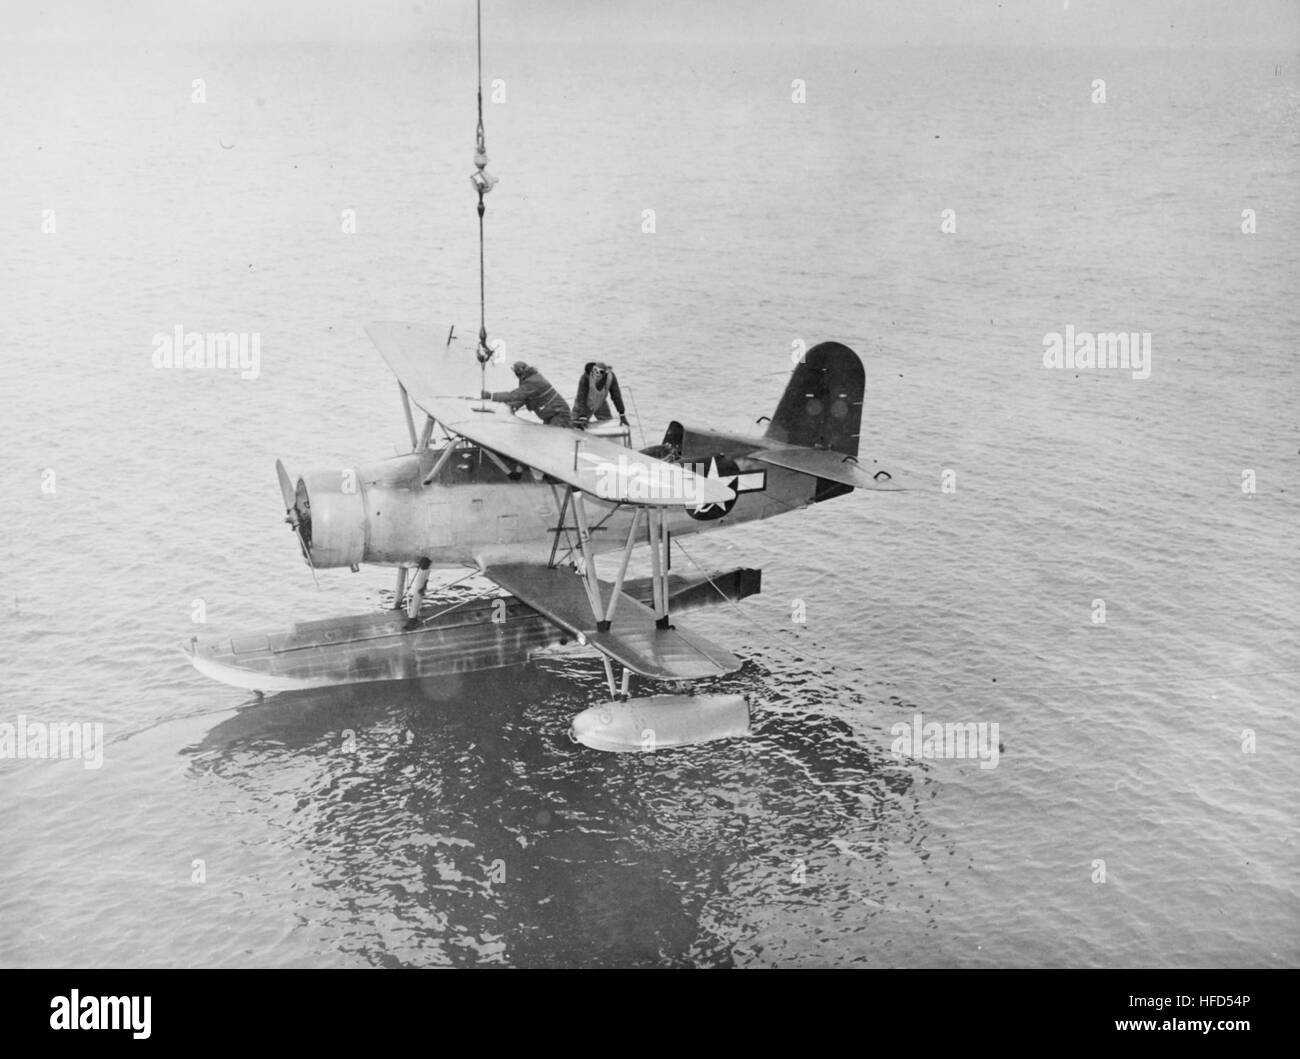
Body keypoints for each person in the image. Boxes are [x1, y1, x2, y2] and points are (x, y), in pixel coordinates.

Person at [482, 361, 571, 427]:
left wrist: (491, 396)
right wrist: (512, 406)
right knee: (547, 439)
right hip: (551, 413)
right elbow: (523, 399)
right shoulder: (529, 378)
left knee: (552, 439)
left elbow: (514, 395)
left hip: (559, 413)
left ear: (519, 373)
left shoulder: (533, 381)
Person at [572, 361, 629, 430]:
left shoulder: (610, 377)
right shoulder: (585, 377)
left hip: (600, 403)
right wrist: (583, 417)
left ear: (605, 373)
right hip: (584, 404)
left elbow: (616, 395)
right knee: (573, 427)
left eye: (601, 372)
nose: (597, 373)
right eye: (595, 370)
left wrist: (622, 414)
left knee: (608, 424)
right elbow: (581, 398)